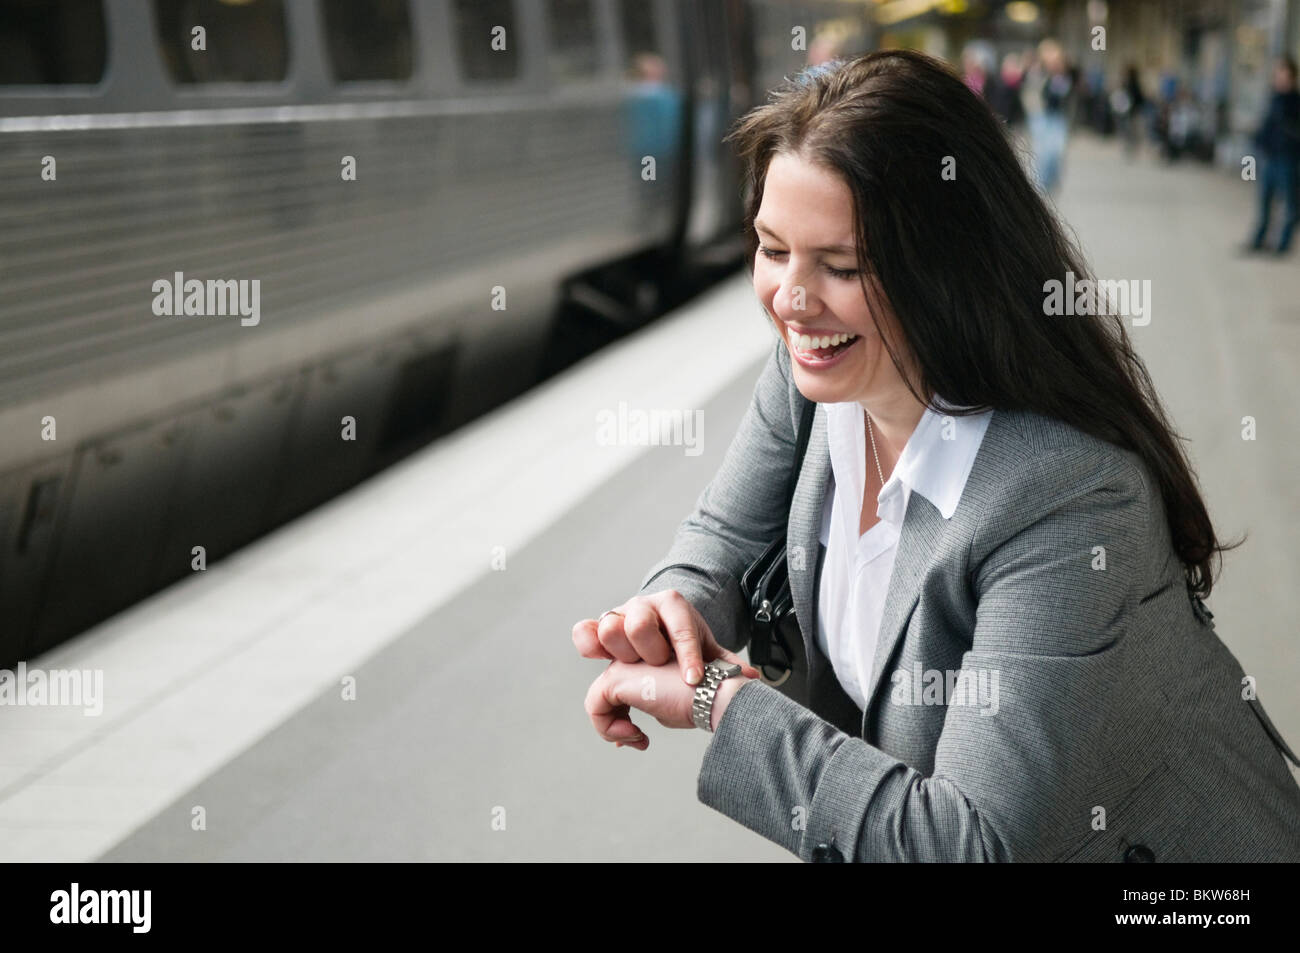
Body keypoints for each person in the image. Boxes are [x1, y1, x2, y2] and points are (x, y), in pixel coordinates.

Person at [571, 49, 1300, 862]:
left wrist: (717, 697)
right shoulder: (814, 375)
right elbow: (724, 533)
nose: (792, 301)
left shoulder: (1068, 499)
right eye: (773, 251)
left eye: (841, 266)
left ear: (946, 268)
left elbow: (969, 844)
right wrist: (673, 609)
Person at [1246, 55, 1300, 255]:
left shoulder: (1295, 102)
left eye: (1282, 72)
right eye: (1277, 73)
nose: (1278, 77)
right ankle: (1259, 239)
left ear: (1291, 76)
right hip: (1269, 157)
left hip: (1288, 159)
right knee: (1264, 202)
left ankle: (1283, 245)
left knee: (1289, 205)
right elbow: (1266, 127)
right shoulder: (1273, 99)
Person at [1024, 39, 1073, 195]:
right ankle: (1040, 184)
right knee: (1043, 151)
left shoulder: (1064, 75)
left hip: (1058, 116)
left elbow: (1068, 94)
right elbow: (1031, 91)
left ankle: (1052, 180)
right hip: (1040, 115)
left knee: (1057, 149)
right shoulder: (1038, 72)